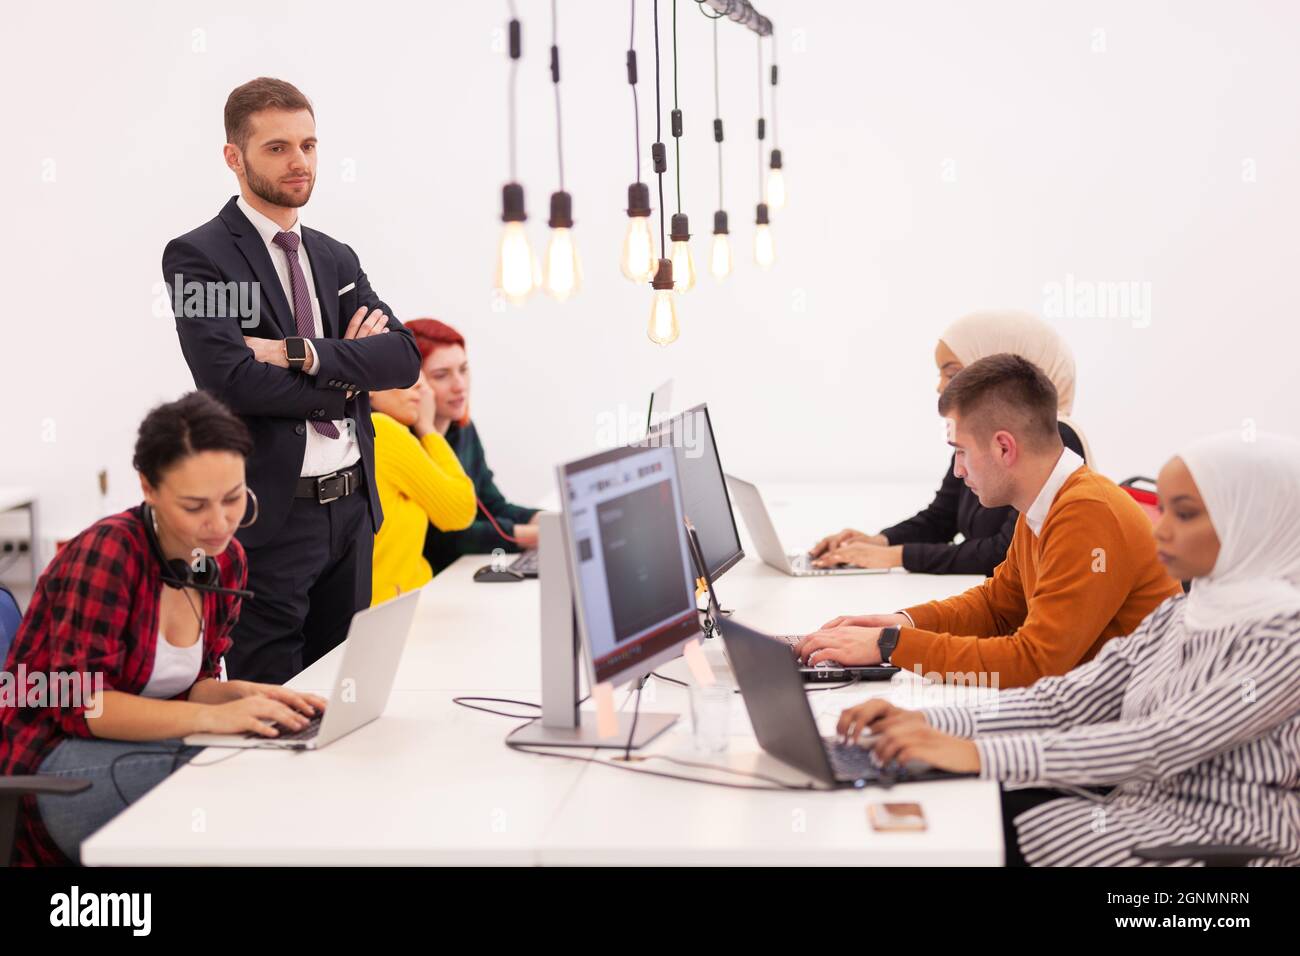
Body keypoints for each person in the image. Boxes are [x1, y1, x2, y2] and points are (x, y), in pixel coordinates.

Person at [836, 433, 1300, 867]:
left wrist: (978, 754)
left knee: (967, 823)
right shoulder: (1182, 614)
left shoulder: (1286, 640)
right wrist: (928, 723)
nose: (1160, 530)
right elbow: (1067, 701)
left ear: (1251, 520)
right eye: (1165, 511)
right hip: (1140, 812)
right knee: (952, 799)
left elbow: (1162, 741)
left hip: (1221, 845)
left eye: (1185, 514)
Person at [163, 77, 422, 683]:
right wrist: (350, 375)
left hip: (353, 509)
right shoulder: (198, 257)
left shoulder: (334, 257)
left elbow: (403, 358)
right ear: (235, 157)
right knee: (272, 702)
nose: (299, 161)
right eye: (277, 147)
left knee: (345, 694)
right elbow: (231, 383)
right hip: (273, 521)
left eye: (308, 145)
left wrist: (300, 353)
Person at [0, 393, 326, 866]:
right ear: (148, 488)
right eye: (195, 506)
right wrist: (214, 721)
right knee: (229, 773)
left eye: (234, 498)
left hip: (146, 748)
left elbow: (190, 690)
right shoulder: (109, 553)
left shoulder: (224, 559)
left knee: (261, 756)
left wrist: (248, 697)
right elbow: (83, 706)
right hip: (52, 769)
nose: (219, 523)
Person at [796, 354, 1181, 688]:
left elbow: (1035, 664)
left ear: (1003, 447)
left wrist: (891, 647)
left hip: (1116, 743)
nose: (959, 471)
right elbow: (998, 608)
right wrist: (901, 623)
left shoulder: (1087, 513)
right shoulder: (1046, 504)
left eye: (961, 451)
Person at [811, 310, 1084, 574]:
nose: (941, 387)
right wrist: (877, 542)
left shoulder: (1053, 437)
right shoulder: (980, 435)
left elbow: (1004, 552)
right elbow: (941, 518)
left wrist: (897, 556)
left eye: (952, 374)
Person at [406, 319, 541, 574]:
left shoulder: (463, 431)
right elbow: (443, 536)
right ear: (413, 383)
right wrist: (530, 536)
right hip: (432, 585)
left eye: (463, 369)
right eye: (442, 375)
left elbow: (492, 506)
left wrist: (549, 522)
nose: (460, 385)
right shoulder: (405, 443)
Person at [369, 375, 477, 603]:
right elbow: (460, 510)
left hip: (409, 601)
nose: (419, 385)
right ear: (368, 388)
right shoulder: (382, 429)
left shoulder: (379, 431)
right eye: (403, 374)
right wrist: (427, 427)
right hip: (398, 609)